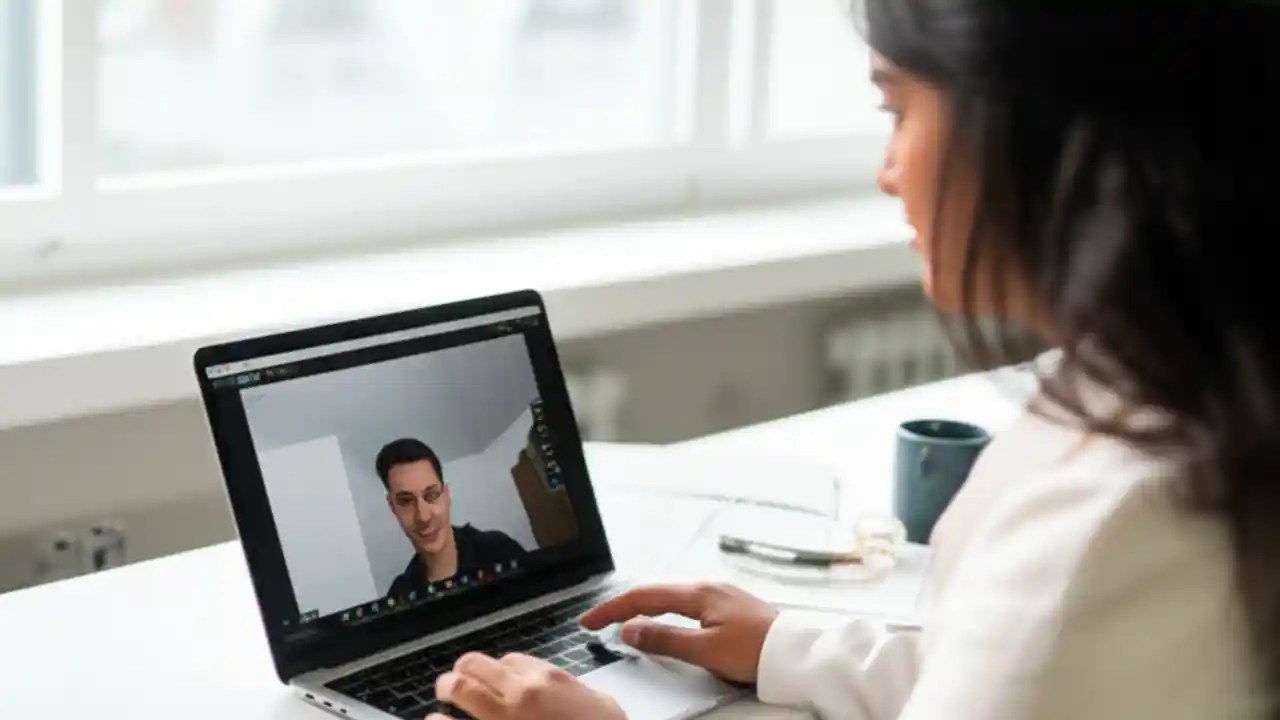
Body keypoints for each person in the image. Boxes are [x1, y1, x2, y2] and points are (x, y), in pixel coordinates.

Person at [426, 2, 1280, 718]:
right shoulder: (1172, 392)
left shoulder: (1120, 520)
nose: (887, 170)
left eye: (898, 110)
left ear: (1040, 123)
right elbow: (1021, 676)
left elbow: (1047, 642)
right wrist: (789, 646)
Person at [376, 438, 528, 597]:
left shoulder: (497, 549)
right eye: (406, 500)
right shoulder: (399, 595)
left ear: (446, 495)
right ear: (393, 508)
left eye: (432, 495)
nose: (423, 516)